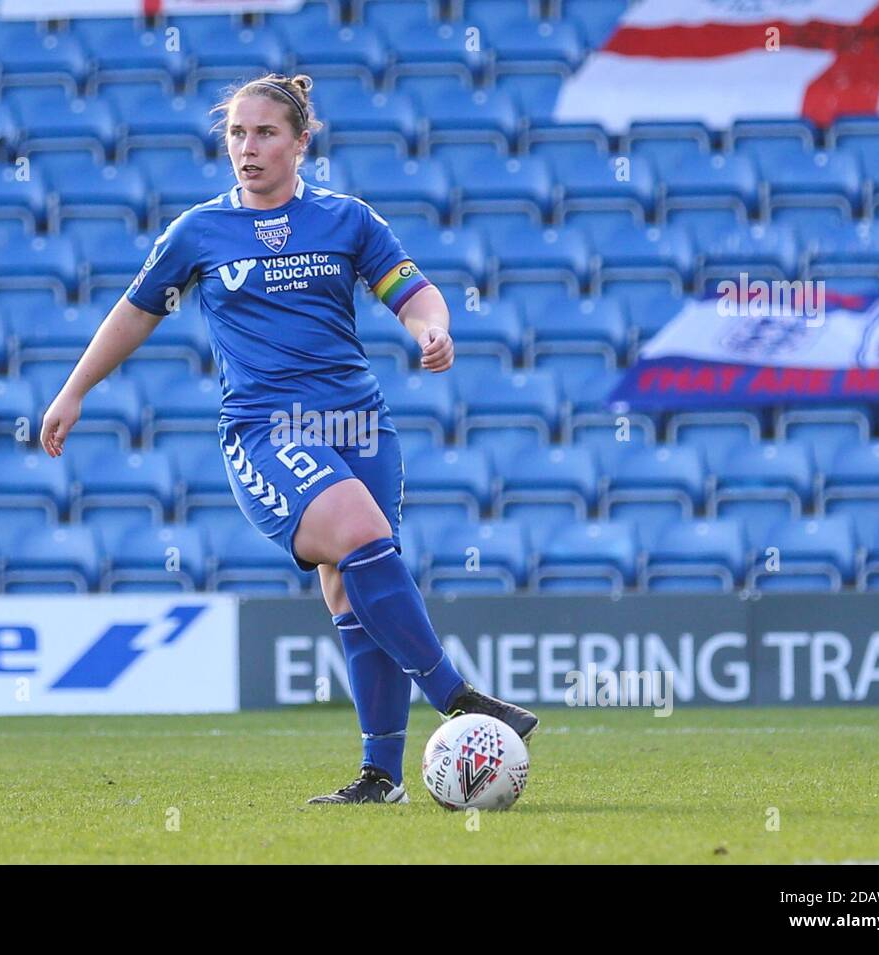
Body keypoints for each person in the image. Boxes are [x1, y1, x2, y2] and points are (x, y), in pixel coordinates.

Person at [40, 72, 538, 804]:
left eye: (266, 132)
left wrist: (433, 327)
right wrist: (75, 388)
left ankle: (381, 777)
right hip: (266, 428)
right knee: (362, 533)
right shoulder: (199, 232)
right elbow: (136, 312)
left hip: (360, 426)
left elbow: (411, 287)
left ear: (302, 141)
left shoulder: (347, 220)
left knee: (351, 582)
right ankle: (455, 693)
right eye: (237, 133)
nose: (248, 147)